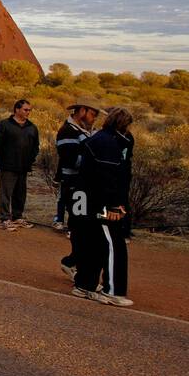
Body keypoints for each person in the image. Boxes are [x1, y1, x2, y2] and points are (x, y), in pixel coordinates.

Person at [71, 107, 135, 307]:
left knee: (93, 243)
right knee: (113, 243)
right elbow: (108, 177)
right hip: (101, 202)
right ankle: (113, 290)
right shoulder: (107, 144)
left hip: (89, 199)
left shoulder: (101, 139)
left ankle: (84, 284)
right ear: (123, 124)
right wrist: (115, 205)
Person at [55, 102, 100, 279]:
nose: (94, 118)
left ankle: (74, 262)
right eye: (93, 113)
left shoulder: (82, 131)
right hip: (74, 186)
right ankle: (72, 262)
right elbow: (70, 160)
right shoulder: (68, 131)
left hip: (82, 185)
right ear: (82, 111)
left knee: (83, 225)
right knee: (79, 225)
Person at [0, 98, 40, 230]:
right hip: (8, 165)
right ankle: (4, 219)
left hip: (23, 166)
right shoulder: (4, 125)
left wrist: (30, 160)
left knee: (20, 194)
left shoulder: (32, 128)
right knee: (6, 193)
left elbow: (36, 146)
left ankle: (17, 217)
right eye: (25, 109)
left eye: (29, 110)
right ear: (17, 109)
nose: (28, 112)